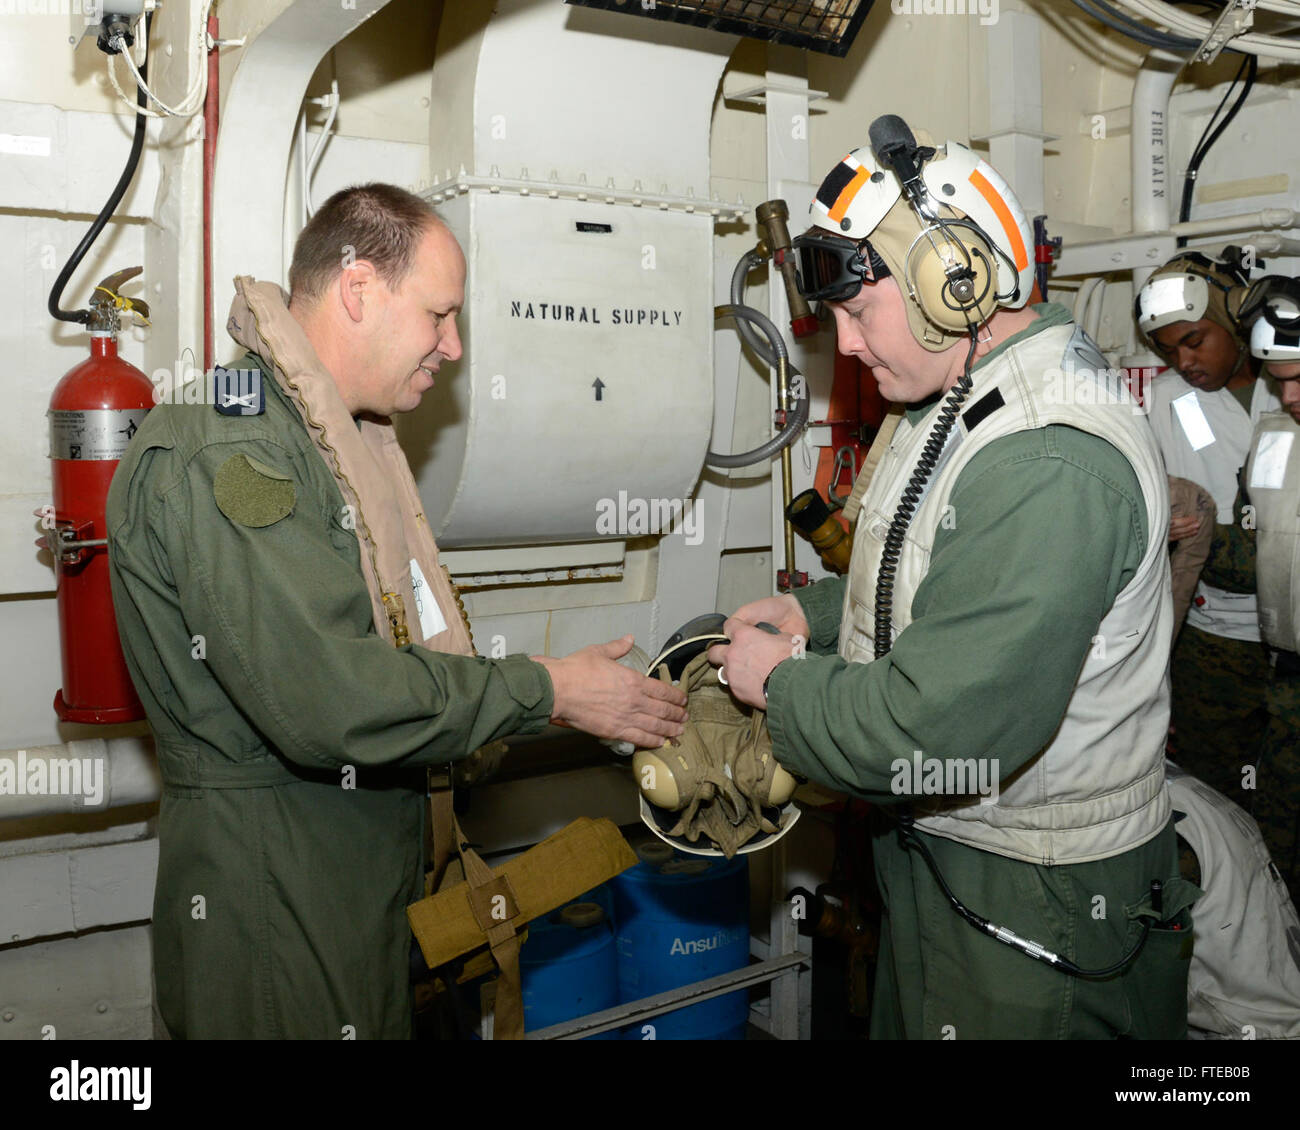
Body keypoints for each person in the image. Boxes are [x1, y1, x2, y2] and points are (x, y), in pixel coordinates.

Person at [106, 183, 686, 1039]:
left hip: (348, 881)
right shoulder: (230, 449)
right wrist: (547, 690)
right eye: (439, 315)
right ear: (358, 291)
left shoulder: (326, 440)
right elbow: (331, 698)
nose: (453, 347)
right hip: (276, 897)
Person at [708, 119, 1195, 1039]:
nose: (845, 346)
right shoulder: (963, 394)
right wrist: (814, 617)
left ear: (954, 279)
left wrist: (779, 686)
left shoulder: (1048, 456)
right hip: (955, 868)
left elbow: (934, 724)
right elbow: (937, 575)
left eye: (857, 311)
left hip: (1039, 906)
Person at [1135, 254, 1279, 796]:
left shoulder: (1285, 381)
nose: (1185, 360)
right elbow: (1155, 496)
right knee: (1216, 790)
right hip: (1213, 634)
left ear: (1234, 321)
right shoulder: (1170, 401)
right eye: (1170, 349)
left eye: (1196, 340)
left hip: (1287, 633)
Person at [1197, 276, 1300, 903]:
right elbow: (1252, 555)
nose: (1290, 396)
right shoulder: (1273, 441)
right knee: (1280, 842)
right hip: (1286, 682)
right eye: (1279, 379)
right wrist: (1191, 530)